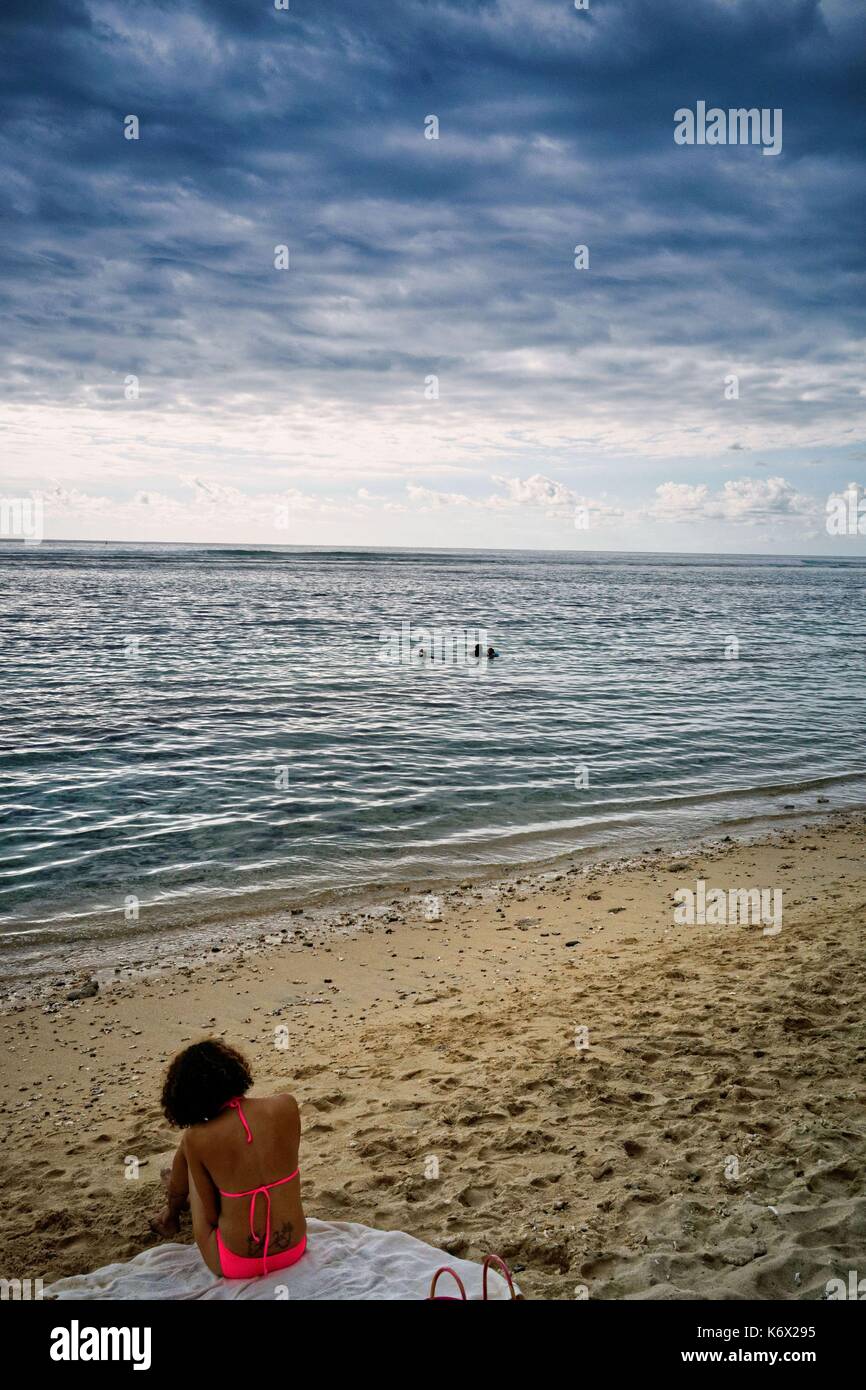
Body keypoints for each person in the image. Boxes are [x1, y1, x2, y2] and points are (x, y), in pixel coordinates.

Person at [151, 1039, 307, 1279]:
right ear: (235, 1070)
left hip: (235, 1263)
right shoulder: (286, 1105)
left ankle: (171, 1214)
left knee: (190, 1150)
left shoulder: (197, 1138)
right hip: (294, 1249)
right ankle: (178, 1197)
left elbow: (212, 1217)